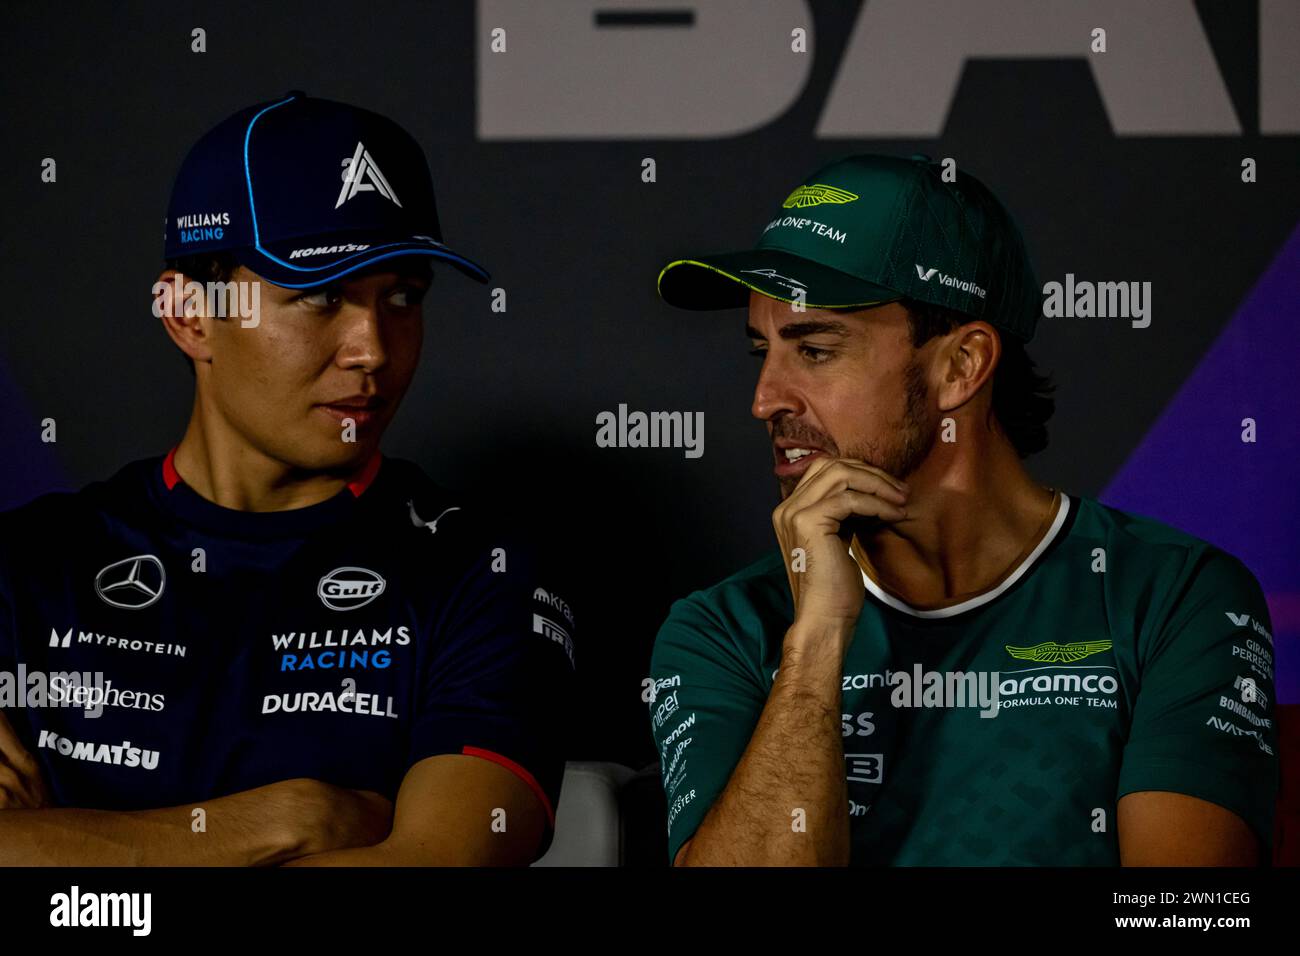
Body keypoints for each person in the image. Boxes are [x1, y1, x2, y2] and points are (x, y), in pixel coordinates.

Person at [648, 154, 1278, 866]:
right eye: (761, 353)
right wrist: (818, 641)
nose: (765, 400)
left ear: (961, 366)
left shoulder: (1172, 596)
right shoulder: (725, 628)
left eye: (815, 350)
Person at [0, 91, 576, 866]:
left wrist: (67, 856)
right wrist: (285, 818)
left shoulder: (482, 572)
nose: (372, 347)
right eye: (319, 297)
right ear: (190, 317)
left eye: (402, 298)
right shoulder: (25, 568)